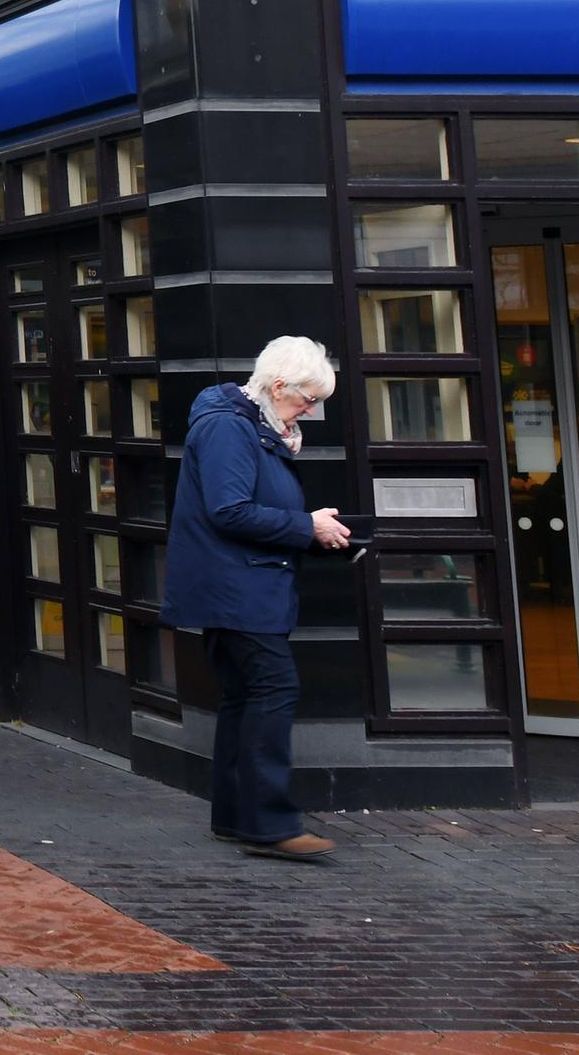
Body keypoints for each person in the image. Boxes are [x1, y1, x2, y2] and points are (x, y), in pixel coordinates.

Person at [162, 335, 349, 864]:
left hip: (240, 587)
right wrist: (305, 527)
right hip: (236, 590)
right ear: (278, 385)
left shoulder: (254, 426)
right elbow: (230, 511)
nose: (312, 412)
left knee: (245, 697)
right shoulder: (230, 427)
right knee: (273, 689)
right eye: (307, 399)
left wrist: (313, 529)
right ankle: (268, 823)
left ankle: (235, 817)